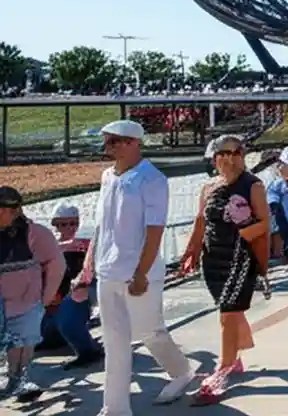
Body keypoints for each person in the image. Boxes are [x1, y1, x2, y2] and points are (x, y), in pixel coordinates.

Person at [84, 120, 195, 413]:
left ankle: (182, 371)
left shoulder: (152, 179)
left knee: (150, 332)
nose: (108, 148)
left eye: (113, 141)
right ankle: (115, 408)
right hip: (107, 271)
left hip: (138, 272)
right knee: (115, 342)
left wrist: (141, 273)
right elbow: (100, 226)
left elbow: (155, 230)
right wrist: (89, 265)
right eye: (107, 142)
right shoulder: (107, 176)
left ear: (133, 142)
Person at [178, 135, 270, 404]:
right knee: (227, 310)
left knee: (229, 312)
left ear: (242, 156)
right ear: (214, 158)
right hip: (212, 259)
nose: (229, 159)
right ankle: (235, 357)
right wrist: (191, 251)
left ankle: (224, 367)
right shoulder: (208, 188)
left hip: (240, 259)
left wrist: (243, 235)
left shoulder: (253, 186)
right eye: (222, 154)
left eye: (235, 153)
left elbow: (265, 223)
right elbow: (200, 221)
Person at [0, 186, 65, 403]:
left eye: (6, 210)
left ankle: (20, 379)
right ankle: (12, 377)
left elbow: (56, 263)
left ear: (17, 210)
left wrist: (46, 298)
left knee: (23, 341)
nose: (2, 214)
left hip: (28, 299)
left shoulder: (35, 233)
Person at [40, 203, 103, 370]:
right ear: (55, 225)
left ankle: (88, 351)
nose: (69, 228)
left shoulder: (86, 244)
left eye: (73, 223)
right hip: (51, 298)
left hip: (77, 292)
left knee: (68, 317)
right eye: (63, 224)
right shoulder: (45, 246)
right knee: (42, 330)